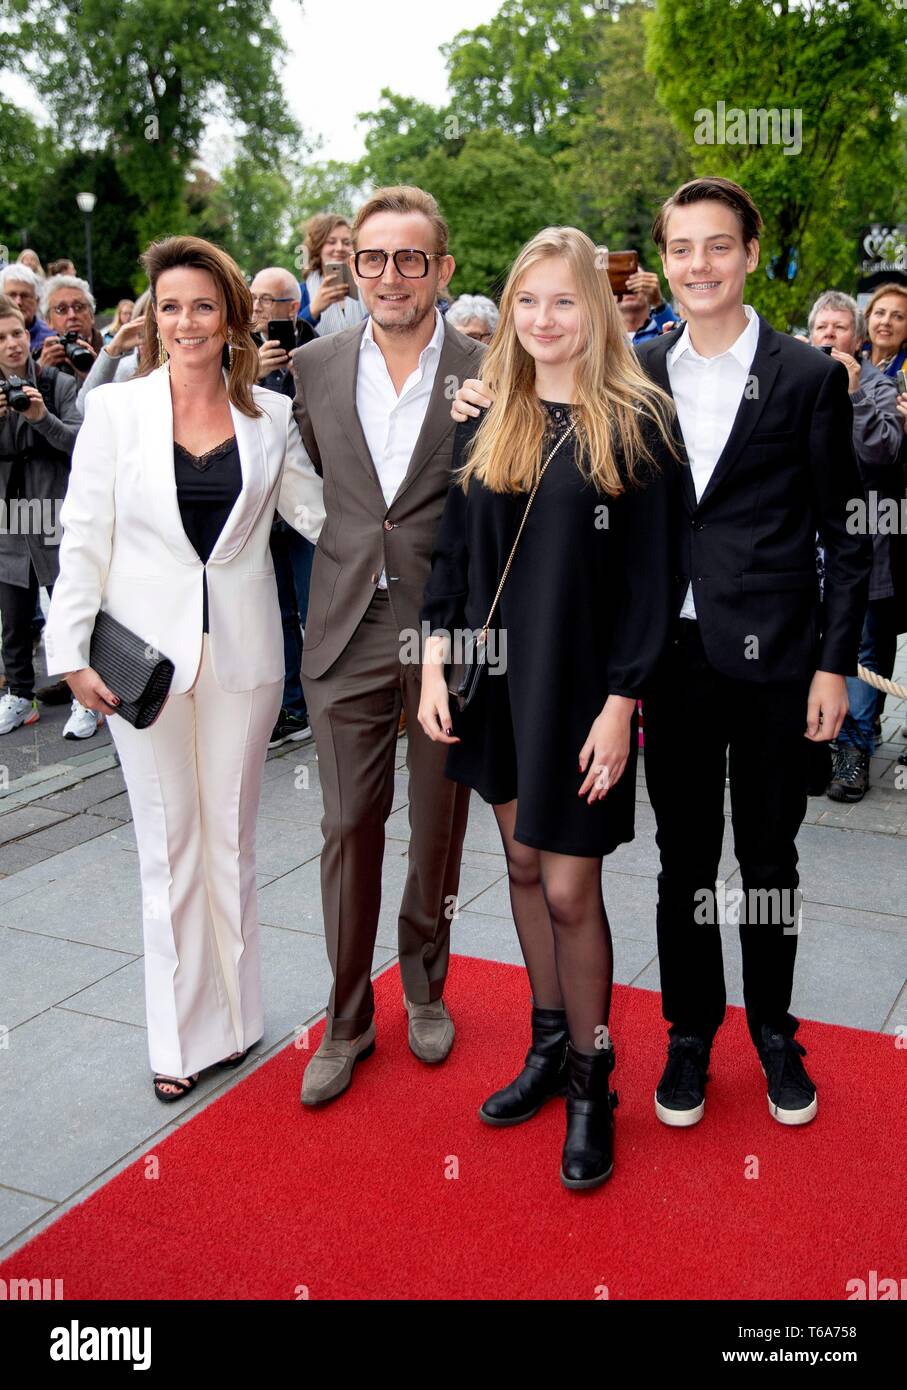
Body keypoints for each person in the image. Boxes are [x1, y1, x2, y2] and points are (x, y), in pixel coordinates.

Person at [452, 176, 870, 1131]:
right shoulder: (633, 370)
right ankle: (688, 1034)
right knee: (683, 860)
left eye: (717, 246)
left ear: (750, 256)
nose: (697, 266)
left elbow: (846, 533)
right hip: (663, 656)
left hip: (776, 662)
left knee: (769, 858)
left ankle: (772, 1031)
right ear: (660, 261)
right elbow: (541, 397)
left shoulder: (807, 375)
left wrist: (832, 666)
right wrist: (481, 389)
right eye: (680, 249)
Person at [419, 228, 677, 1190]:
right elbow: (453, 552)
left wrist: (621, 704)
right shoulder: (488, 413)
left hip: (582, 687)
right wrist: (434, 662)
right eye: (527, 302)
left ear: (596, 311)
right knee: (522, 865)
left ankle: (589, 1076)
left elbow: (653, 582)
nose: (542, 320)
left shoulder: (636, 421)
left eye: (563, 302)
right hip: (494, 679)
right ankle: (544, 1041)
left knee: (572, 889)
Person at [43, 235, 325, 1102]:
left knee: (232, 843)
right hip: (142, 666)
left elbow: (321, 517)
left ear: (230, 316)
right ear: (151, 317)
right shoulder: (118, 414)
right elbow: (82, 536)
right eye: (170, 306)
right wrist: (69, 651)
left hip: (244, 658)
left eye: (203, 305)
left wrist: (416, 551)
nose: (186, 322)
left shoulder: (268, 418)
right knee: (168, 850)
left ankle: (236, 1023)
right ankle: (177, 1041)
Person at [291, 185, 483, 1106]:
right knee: (344, 827)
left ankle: (425, 987)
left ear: (442, 269)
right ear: (351, 267)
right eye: (373, 258)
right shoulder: (316, 368)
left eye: (412, 259)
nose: (391, 275)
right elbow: (312, 486)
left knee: (437, 832)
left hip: (447, 633)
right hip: (345, 630)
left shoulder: (492, 368)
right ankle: (345, 1016)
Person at [805, 291, 904, 802]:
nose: (829, 336)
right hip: (806, 550)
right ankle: (813, 741)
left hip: (866, 545)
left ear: (857, 339)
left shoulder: (881, 388)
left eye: (839, 328)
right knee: (814, 644)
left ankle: (854, 750)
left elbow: (881, 451)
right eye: (822, 327)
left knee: (863, 649)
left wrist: (855, 393)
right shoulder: (794, 383)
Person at [0, 295, 87, 736]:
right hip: (9, 517)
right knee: (14, 618)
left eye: (17, 333)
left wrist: (40, 416)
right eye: (1, 338)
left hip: (55, 510)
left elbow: (79, 443)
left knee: (68, 609)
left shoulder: (56, 384)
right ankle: (19, 694)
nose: (12, 344)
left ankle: (83, 697)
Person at [249, 265, 318, 748]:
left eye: (266, 300)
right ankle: (293, 707)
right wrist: (247, 376)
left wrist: (303, 382)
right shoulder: (235, 355)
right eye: (252, 298)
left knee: (317, 610)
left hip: (310, 505)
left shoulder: (319, 348)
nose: (256, 308)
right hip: (259, 509)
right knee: (277, 614)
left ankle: (324, 700)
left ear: (290, 307)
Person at [298, 214, 367, 337]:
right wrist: (313, 310)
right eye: (331, 242)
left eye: (346, 242)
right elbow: (295, 337)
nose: (339, 248)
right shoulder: (302, 292)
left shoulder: (368, 283)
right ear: (318, 247)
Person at [37, 276, 102, 383]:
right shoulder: (45, 357)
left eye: (79, 307)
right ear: (48, 321)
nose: (72, 315)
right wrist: (41, 372)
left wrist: (99, 371)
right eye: (61, 309)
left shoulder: (112, 354)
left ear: (92, 315)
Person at [615, 265, 679, 344]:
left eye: (637, 281)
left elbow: (680, 337)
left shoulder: (665, 327)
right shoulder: (602, 336)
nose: (629, 287)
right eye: (621, 282)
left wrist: (658, 304)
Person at [0, 264, 54, 354]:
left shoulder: (50, 338)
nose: (18, 302)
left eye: (25, 296)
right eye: (12, 295)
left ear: (37, 301)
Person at [862, 282, 907, 380]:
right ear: (867, 318)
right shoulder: (850, 356)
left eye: (898, 316)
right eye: (880, 313)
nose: (886, 321)